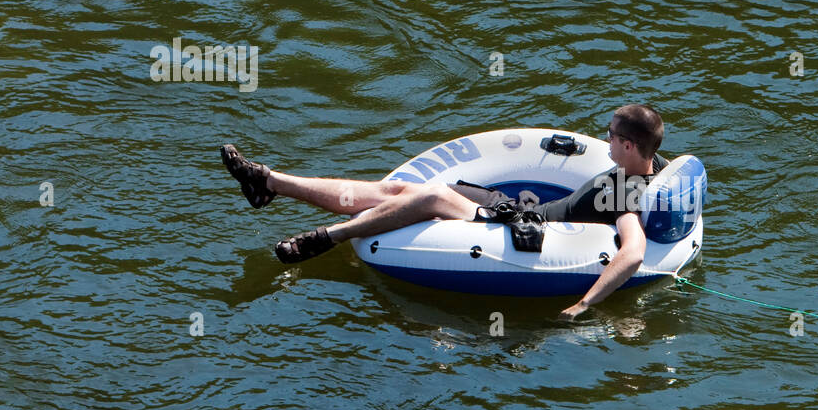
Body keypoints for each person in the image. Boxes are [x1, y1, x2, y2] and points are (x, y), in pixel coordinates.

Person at [220, 105, 668, 318]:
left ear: (628, 146)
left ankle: (329, 237)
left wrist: (585, 305)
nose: (603, 140)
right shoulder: (651, 166)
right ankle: (269, 182)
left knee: (433, 198)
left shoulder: (627, 192)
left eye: (609, 135)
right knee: (396, 188)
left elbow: (632, 252)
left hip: (528, 230)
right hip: (519, 207)